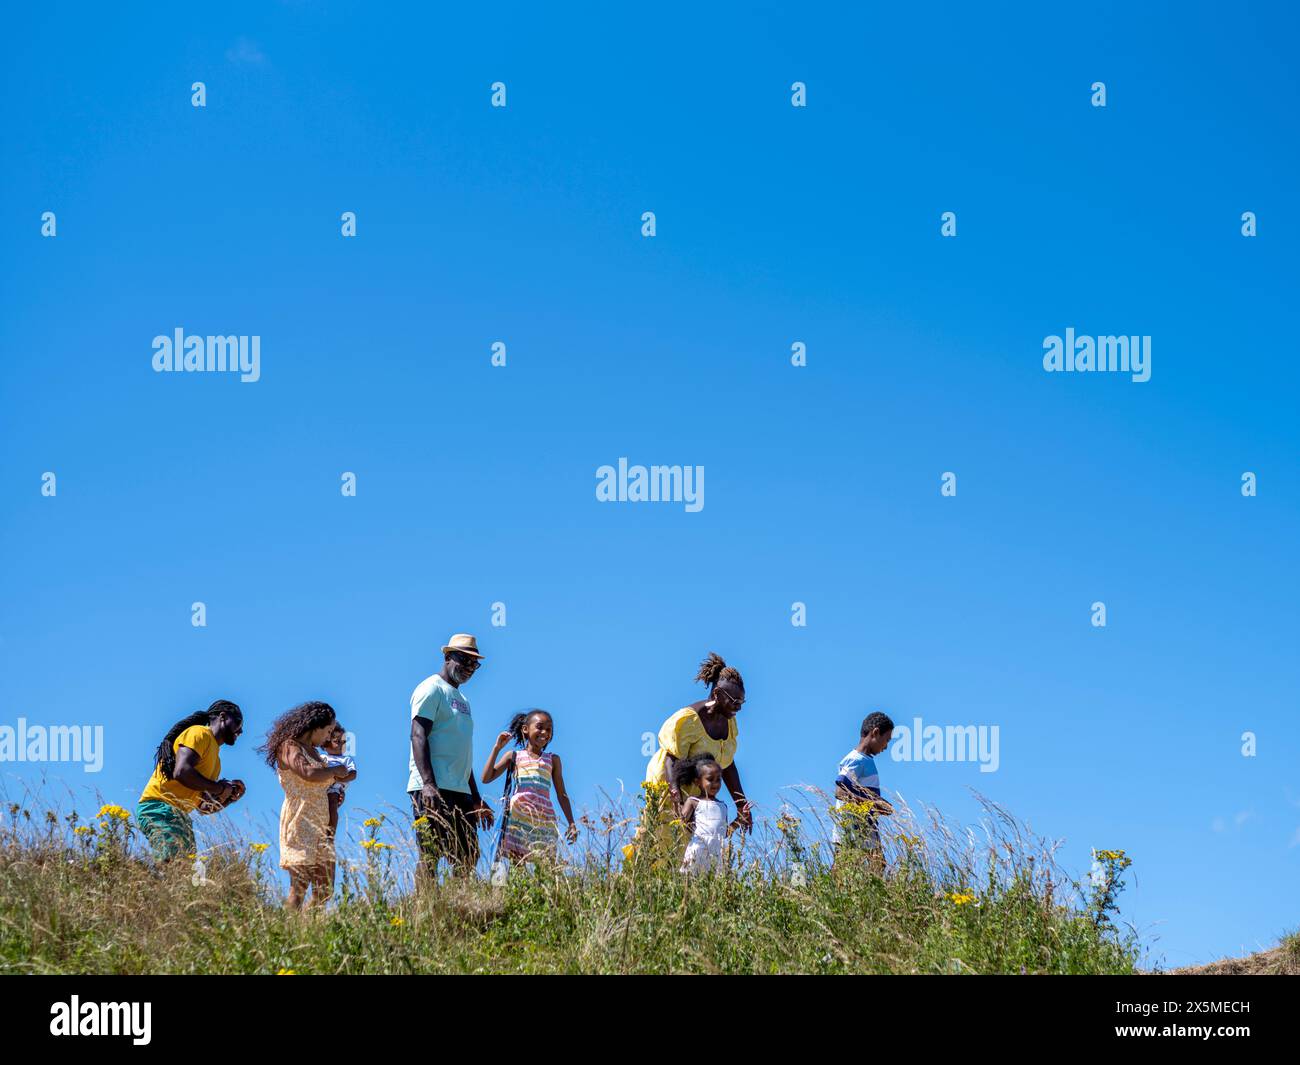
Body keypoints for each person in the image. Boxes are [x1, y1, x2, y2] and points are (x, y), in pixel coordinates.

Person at [631, 652, 752, 863]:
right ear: (716, 694)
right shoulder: (688, 720)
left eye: (742, 702)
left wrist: (741, 803)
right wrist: (676, 795)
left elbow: (728, 764)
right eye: (734, 701)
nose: (738, 707)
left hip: (696, 787)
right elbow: (671, 759)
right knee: (661, 839)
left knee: (694, 847)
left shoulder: (729, 722)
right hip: (668, 781)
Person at [408, 634, 494, 881]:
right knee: (431, 852)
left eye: (474, 664)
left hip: (459, 790)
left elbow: (461, 753)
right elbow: (417, 734)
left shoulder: (463, 700)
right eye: (464, 660)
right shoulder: (431, 688)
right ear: (447, 657)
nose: (469, 668)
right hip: (433, 787)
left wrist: (476, 798)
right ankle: (424, 910)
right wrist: (428, 784)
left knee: (467, 854)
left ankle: (456, 908)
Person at [260, 701, 352, 908]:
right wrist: (335, 772)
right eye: (328, 731)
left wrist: (332, 790)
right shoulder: (289, 746)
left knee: (325, 890)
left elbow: (319, 780)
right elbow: (308, 774)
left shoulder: (314, 751)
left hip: (323, 823)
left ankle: (309, 933)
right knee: (299, 887)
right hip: (300, 820)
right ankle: (287, 934)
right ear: (315, 726)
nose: (329, 737)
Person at [136, 700, 246, 862]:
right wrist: (219, 788)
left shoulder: (216, 761)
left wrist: (229, 797)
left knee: (184, 873)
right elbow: (182, 771)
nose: (241, 730)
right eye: (238, 722)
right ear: (222, 717)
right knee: (172, 865)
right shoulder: (199, 734)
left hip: (180, 817)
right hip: (160, 808)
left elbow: (203, 807)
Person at [483, 709, 578, 864]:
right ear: (525, 729)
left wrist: (571, 823)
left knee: (546, 865)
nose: (544, 732)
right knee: (518, 863)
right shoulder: (514, 756)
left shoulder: (553, 760)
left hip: (544, 819)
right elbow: (486, 778)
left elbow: (562, 794)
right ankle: (511, 888)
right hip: (518, 817)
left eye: (548, 729)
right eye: (539, 727)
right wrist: (496, 749)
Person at [832, 711, 896, 870]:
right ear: (875, 733)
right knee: (844, 867)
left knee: (878, 866)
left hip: (865, 826)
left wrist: (879, 804)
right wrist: (873, 804)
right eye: (886, 740)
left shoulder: (866, 761)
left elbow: (862, 793)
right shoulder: (856, 759)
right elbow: (840, 791)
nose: (886, 746)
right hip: (852, 828)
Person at [676, 754, 737, 874]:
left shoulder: (723, 806)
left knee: (712, 882)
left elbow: (724, 832)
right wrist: (676, 802)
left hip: (717, 851)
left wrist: (739, 820)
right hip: (698, 847)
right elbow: (681, 820)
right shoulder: (694, 801)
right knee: (691, 877)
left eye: (718, 780)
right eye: (710, 779)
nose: (715, 783)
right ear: (698, 781)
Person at [320, 722, 357, 892]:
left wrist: (340, 780)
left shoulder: (345, 759)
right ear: (326, 743)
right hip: (319, 792)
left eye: (343, 742)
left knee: (332, 809)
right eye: (337, 742)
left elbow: (353, 774)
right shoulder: (322, 758)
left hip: (334, 791)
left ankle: (330, 835)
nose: (342, 745)